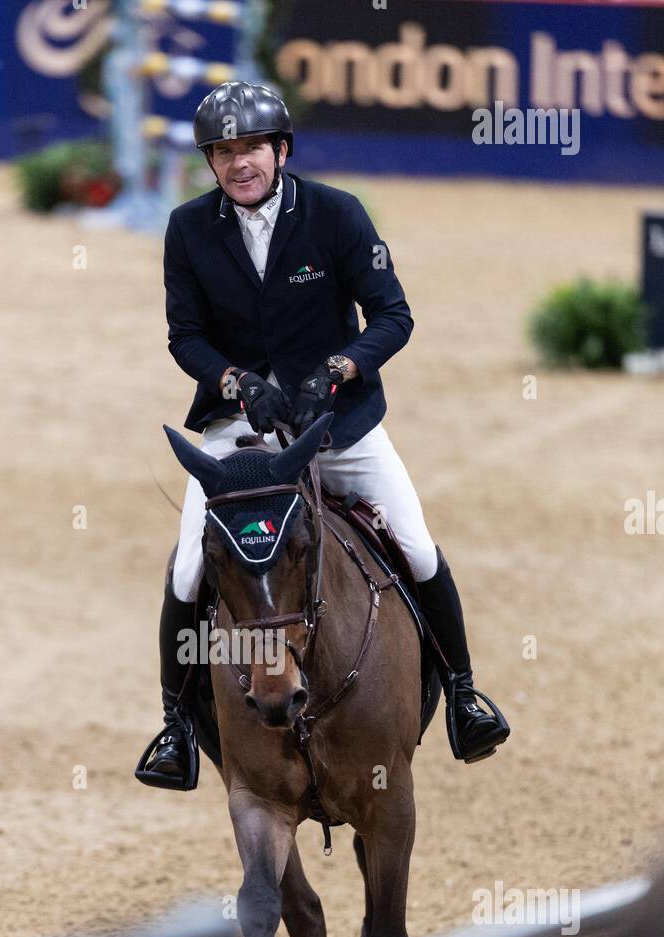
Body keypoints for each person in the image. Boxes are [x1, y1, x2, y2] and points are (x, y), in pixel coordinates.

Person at [137, 81, 509, 790]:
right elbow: (185, 336)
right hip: (239, 431)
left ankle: (463, 695)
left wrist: (338, 369)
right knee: (188, 569)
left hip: (337, 423)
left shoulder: (337, 215)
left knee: (417, 545)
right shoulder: (188, 228)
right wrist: (238, 384)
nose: (238, 162)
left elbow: (393, 317)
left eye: (250, 147)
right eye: (222, 152)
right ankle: (176, 728)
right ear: (210, 163)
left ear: (280, 150)